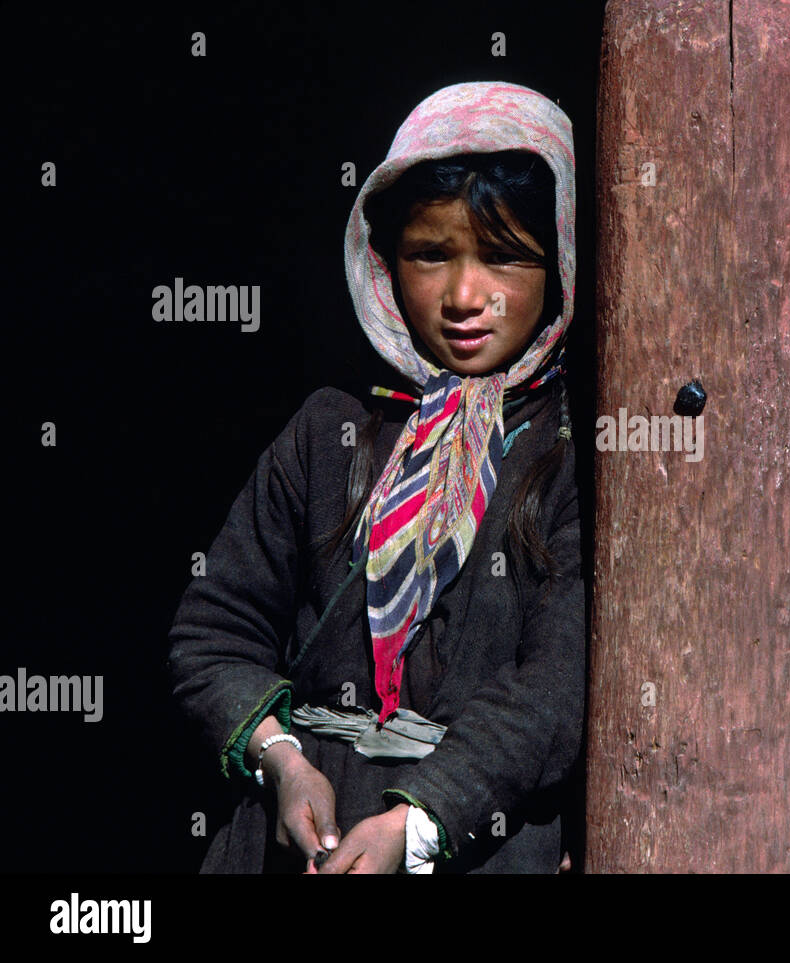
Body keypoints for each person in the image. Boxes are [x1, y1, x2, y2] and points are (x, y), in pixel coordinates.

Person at [168, 81, 585, 874]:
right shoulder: (330, 431)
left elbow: (557, 692)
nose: (465, 296)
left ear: (559, 262)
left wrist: (418, 822)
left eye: (503, 257)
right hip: (290, 848)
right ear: (384, 259)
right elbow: (211, 634)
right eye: (432, 254)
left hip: (475, 848)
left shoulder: (569, 459)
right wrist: (283, 762)